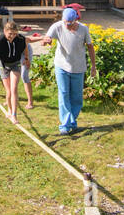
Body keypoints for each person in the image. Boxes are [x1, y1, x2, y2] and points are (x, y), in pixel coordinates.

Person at [40, 7, 96, 135]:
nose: (66, 25)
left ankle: (72, 121)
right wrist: (46, 40)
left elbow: (90, 47)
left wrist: (93, 66)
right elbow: (47, 37)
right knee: (64, 93)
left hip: (78, 67)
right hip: (61, 65)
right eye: (65, 22)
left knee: (77, 98)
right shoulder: (57, 26)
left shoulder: (83, 29)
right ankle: (65, 125)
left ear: (75, 20)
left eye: (69, 23)